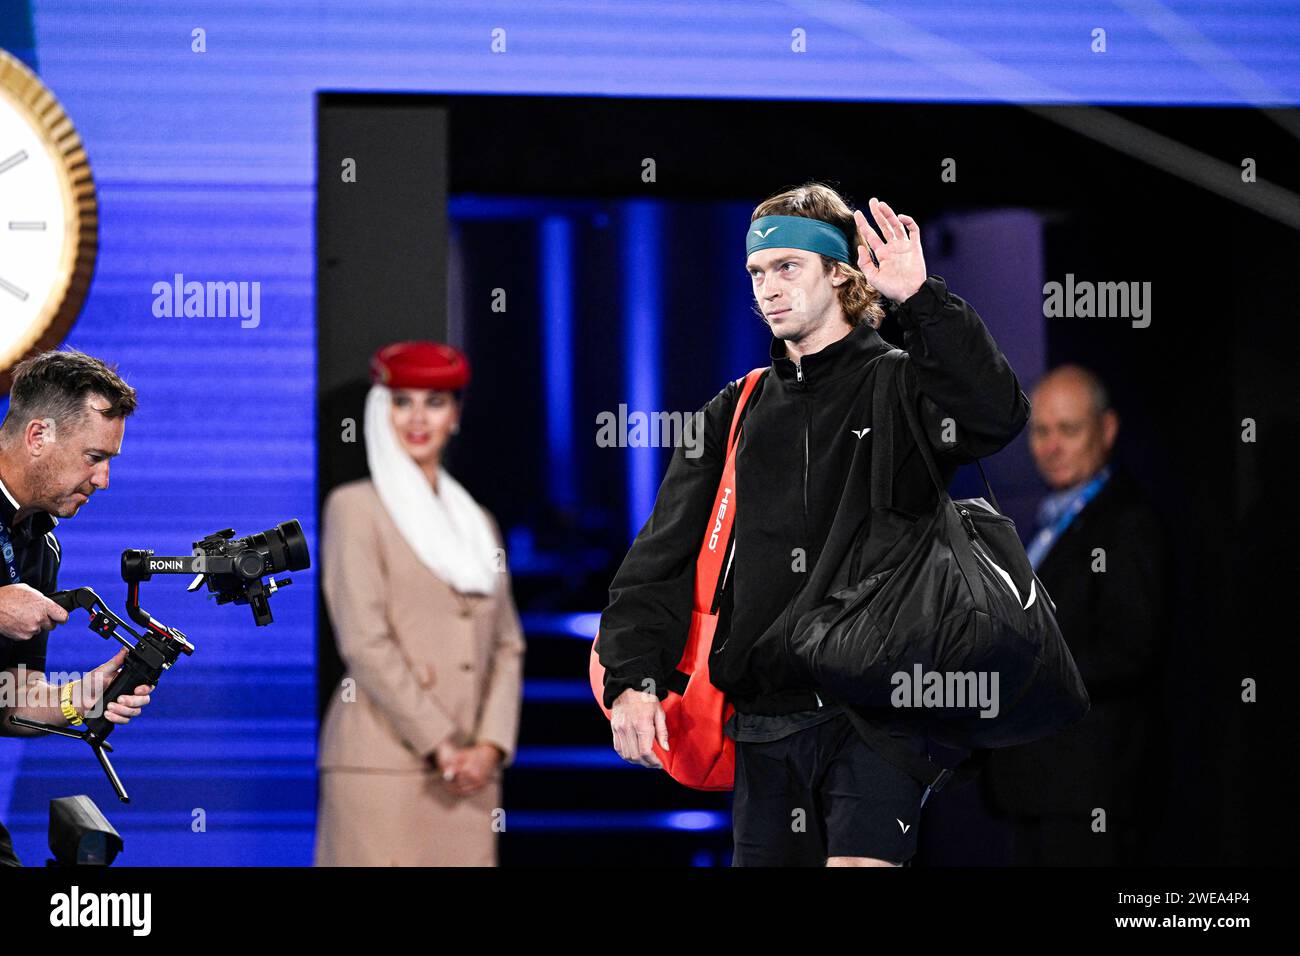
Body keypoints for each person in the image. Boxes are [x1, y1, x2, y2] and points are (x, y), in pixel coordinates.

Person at [597, 183, 1030, 866]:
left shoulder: (901, 386)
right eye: (758, 273)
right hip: (765, 717)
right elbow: (663, 553)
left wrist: (922, 304)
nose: (768, 287)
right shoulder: (735, 410)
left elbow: (995, 415)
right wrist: (631, 679)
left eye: (788, 266)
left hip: (876, 713)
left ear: (839, 272)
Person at [314, 341, 526, 866]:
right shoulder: (354, 509)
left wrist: (490, 748)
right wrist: (443, 745)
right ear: (379, 412)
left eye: (434, 402)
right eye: (401, 401)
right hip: (384, 767)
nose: (418, 418)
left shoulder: (477, 522)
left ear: (454, 416)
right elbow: (364, 641)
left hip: (471, 776)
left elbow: (508, 644)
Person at [984, 364, 1168, 865]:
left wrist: (1025, 670)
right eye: (1041, 431)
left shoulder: (1125, 523)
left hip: (1088, 791)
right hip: (1035, 788)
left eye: (1069, 429)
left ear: (1106, 429)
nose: (1052, 446)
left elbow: (1130, 648)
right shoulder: (1050, 521)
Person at [0, 348, 155, 866]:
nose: (104, 480)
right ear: (38, 436)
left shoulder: (42, 546)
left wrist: (80, 697)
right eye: (94, 458)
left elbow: (9, 700)